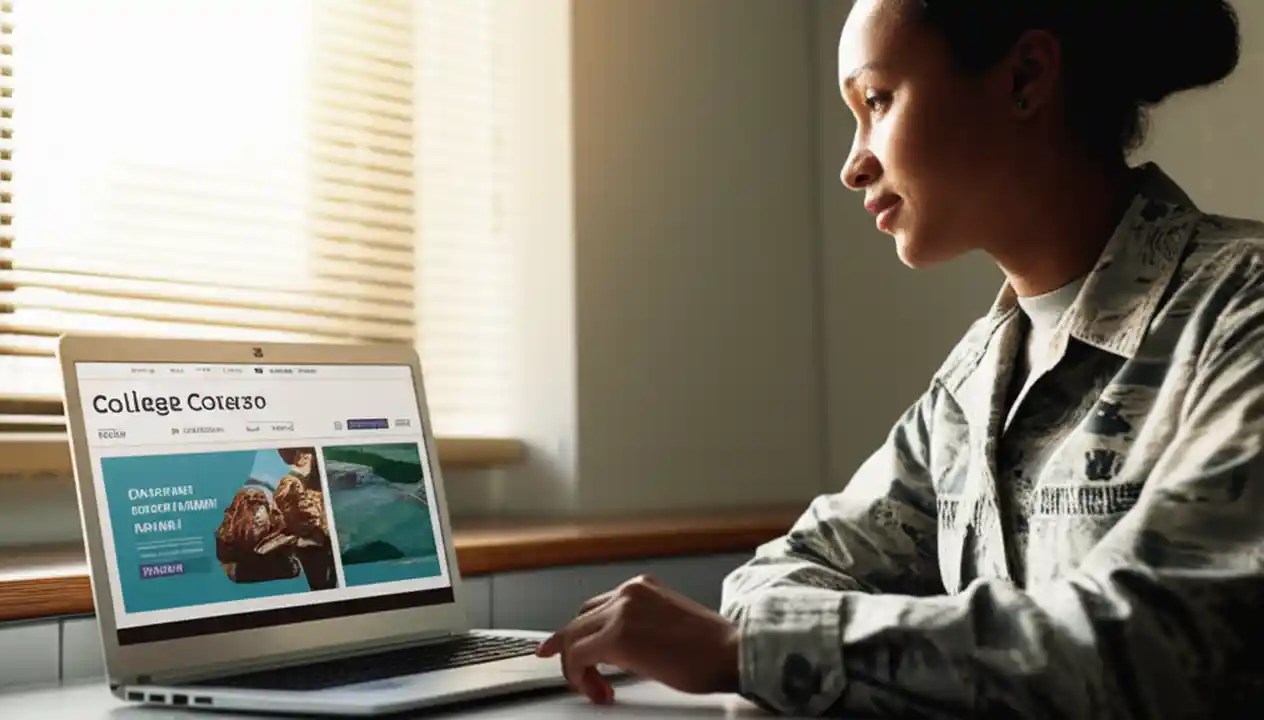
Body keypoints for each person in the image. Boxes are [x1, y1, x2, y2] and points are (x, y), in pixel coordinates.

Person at [533, 0, 1264, 715]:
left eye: (877, 101)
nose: (853, 166)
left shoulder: (1242, 311)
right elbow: (782, 574)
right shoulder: (973, 385)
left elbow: (1166, 642)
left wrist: (749, 650)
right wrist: (757, 638)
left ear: (1025, 79)